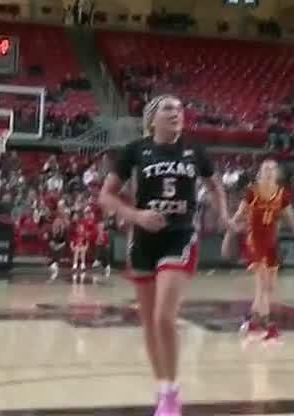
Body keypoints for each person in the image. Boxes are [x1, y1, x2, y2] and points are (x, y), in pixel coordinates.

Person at [98, 94, 229, 416]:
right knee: (149, 324)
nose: (176, 113)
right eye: (168, 108)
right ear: (152, 118)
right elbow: (106, 196)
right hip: (143, 238)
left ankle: (172, 394)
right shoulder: (135, 151)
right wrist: (135, 216)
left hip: (179, 236)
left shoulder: (195, 151)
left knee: (163, 317)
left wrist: (223, 216)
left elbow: (215, 186)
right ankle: (162, 388)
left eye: (180, 108)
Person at [227, 158, 294, 343]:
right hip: (254, 241)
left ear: (277, 173)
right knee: (262, 284)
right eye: (266, 168)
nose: (270, 170)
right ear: (260, 172)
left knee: (268, 288)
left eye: (273, 168)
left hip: (270, 243)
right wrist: (232, 223)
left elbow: (290, 217)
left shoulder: (281, 194)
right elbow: (240, 213)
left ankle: (253, 323)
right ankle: (270, 328)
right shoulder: (252, 192)